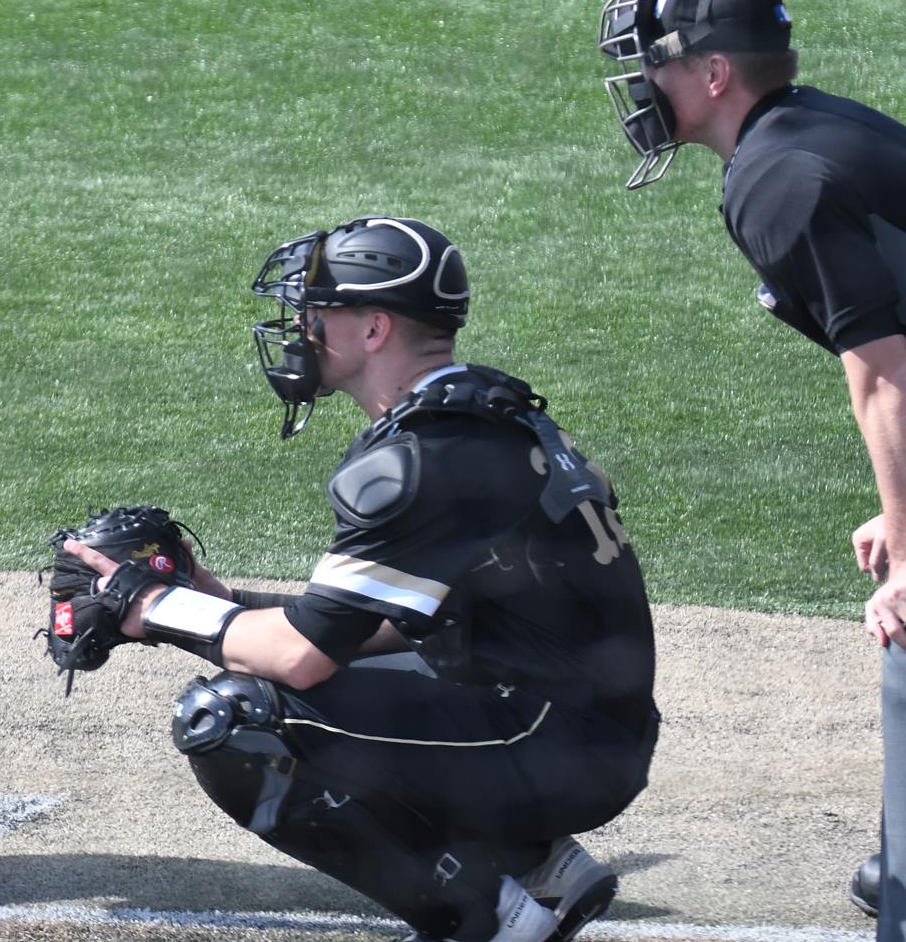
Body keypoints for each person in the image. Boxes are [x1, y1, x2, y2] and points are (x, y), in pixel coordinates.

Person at [65, 217, 658, 942]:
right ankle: (534, 861)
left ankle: (480, 918)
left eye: (318, 310)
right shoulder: (472, 418)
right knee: (302, 683)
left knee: (235, 720)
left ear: (374, 328)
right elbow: (373, 625)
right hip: (565, 723)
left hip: (558, 743)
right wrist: (207, 601)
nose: (300, 327)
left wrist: (147, 602)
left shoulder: (423, 458)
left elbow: (301, 656)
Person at [599, 0, 906, 926]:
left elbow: (884, 372)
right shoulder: (816, 126)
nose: (639, 85)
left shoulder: (774, 178)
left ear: (712, 74)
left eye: (650, 63)